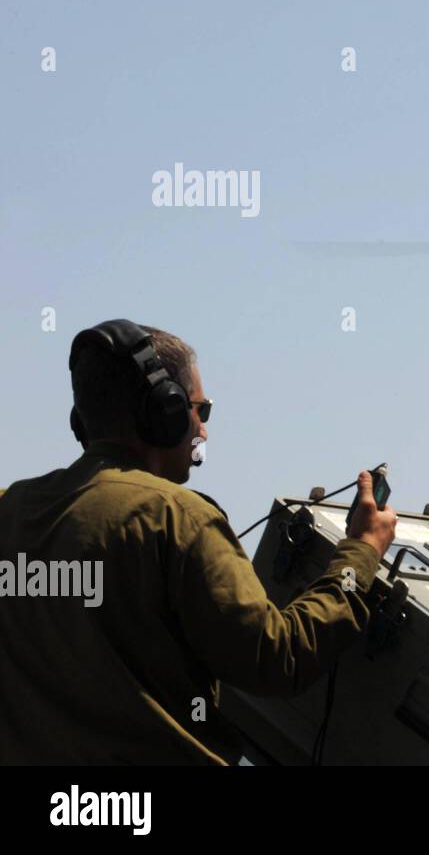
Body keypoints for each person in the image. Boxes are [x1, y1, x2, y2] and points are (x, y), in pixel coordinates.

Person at [0, 319, 397, 763]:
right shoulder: (177, 519)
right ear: (164, 410)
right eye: (199, 410)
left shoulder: (10, 510)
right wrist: (360, 552)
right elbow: (277, 659)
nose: (202, 431)